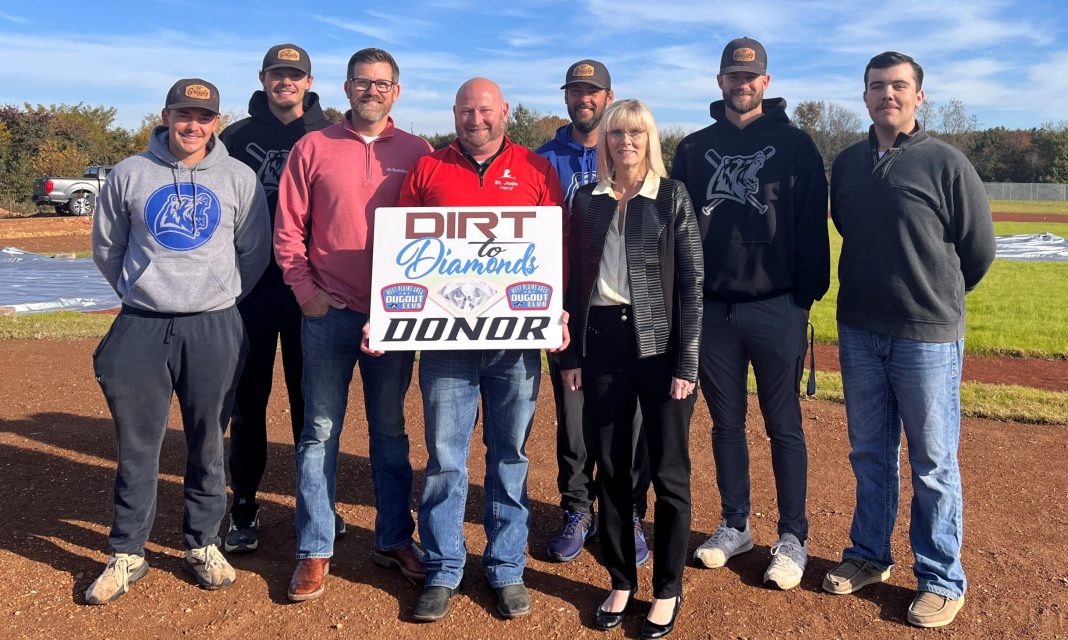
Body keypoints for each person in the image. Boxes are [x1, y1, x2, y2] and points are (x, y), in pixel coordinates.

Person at [822, 51, 995, 629]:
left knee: (933, 463)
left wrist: (933, 298)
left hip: (926, 336)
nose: (886, 95)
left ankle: (942, 577)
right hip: (860, 331)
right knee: (871, 454)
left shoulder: (947, 162)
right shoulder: (846, 164)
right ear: (865, 96)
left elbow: (978, 250)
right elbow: (851, 226)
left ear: (920, 96)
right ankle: (869, 555)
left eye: (899, 86)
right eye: (876, 87)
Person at [86, 78, 270, 604]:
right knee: (138, 443)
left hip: (213, 324)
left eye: (204, 116)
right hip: (142, 321)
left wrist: (218, 294)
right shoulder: (129, 173)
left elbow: (252, 251)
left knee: (209, 439)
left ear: (216, 122)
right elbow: (107, 247)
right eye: (183, 114)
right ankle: (127, 552)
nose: (193, 125)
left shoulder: (237, 177)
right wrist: (143, 289)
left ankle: (202, 543)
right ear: (166, 116)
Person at [397, 77, 567, 622]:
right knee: (446, 457)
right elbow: (402, 245)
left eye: (486, 111)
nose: (477, 120)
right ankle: (445, 566)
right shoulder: (429, 166)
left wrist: (556, 307)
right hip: (445, 340)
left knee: (509, 453)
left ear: (505, 112)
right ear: (455, 112)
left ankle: (506, 567)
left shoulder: (537, 169)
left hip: (516, 339)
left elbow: (557, 247)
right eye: (467, 111)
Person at [671, 36, 830, 590]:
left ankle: (793, 536)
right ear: (719, 82)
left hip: (775, 304)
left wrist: (803, 296)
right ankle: (735, 523)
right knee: (725, 424)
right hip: (713, 309)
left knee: (783, 425)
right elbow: (680, 229)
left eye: (751, 76)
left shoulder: (794, 144)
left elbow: (813, 222)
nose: (742, 85)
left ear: (766, 81)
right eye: (732, 76)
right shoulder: (693, 149)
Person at [274, 48, 432, 602]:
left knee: (390, 433)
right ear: (345, 88)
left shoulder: (418, 151)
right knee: (319, 432)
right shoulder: (313, 146)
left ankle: (393, 538)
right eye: (363, 83)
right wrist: (307, 295)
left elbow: (435, 232)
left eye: (382, 83)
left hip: (394, 319)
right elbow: (288, 231)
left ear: (397, 90)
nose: (372, 91)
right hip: (329, 313)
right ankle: (314, 548)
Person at [561, 99, 702, 640]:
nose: (625, 141)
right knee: (611, 467)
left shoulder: (671, 197)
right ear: (605, 139)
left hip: (661, 347)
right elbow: (574, 284)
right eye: (617, 132)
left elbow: (691, 285)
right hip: (602, 344)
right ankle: (622, 577)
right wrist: (570, 355)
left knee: (668, 472)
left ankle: (667, 587)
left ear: (650, 139)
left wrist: (686, 360)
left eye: (636, 132)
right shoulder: (587, 200)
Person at [536, 60, 651, 566]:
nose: (584, 98)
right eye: (575, 91)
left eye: (593, 91)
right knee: (575, 419)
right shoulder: (544, 159)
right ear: (566, 98)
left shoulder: (634, 157)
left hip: (629, 311)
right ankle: (578, 508)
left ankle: (625, 512)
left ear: (608, 97)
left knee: (635, 419)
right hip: (566, 310)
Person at [219, 43, 331, 554]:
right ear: (263, 78)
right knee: (249, 404)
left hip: (311, 288)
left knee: (313, 405)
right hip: (252, 292)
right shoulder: (234, 138)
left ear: (308, 81)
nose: (285, 82)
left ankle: (318, 505)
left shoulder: (329, 135)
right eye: (276, 74)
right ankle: (244, 504)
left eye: (295, 75)